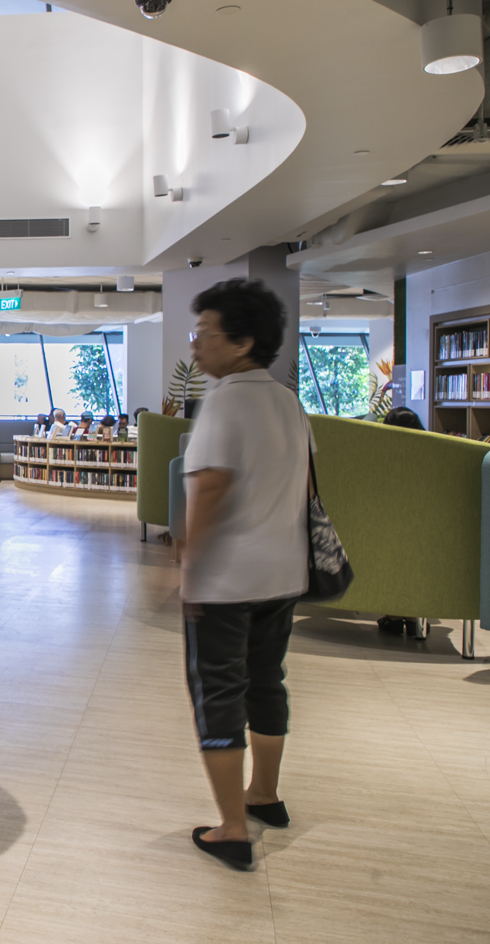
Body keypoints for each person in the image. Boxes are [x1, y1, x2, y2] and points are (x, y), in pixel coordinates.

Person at [181, 278, 311, 872]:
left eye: (206, 333)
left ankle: (231, 828)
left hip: (227, 582)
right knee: (267, 683)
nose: (195, 344)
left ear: (242, 342)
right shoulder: (289, 401)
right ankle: (265, 795)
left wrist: (188, 568)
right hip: (282, 577)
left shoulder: (226, 400)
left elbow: (210, 487)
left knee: (218, 695)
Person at [376, 406, 425, 635]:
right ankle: (414, 615)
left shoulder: (379, 459)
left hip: (384, 527)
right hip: (423, 530)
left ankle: (394, 615)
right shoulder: (433, 458)